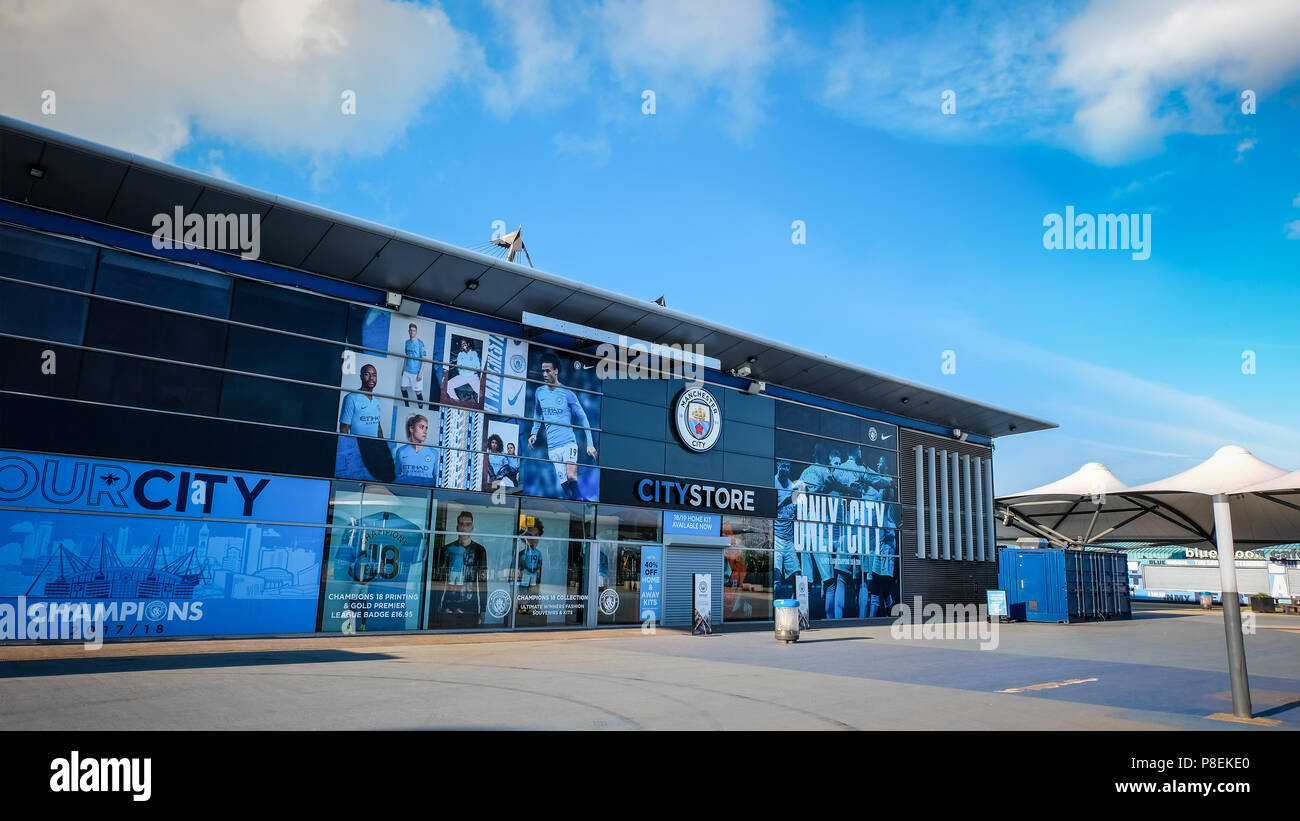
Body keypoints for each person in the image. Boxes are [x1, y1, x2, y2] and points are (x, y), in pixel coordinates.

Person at [528, 352, 596, 499]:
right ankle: (580, 504)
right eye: (543, 371)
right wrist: (534, 432)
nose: (544, 374)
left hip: (568, 444)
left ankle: (584, 505)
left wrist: (590, 444)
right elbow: (538, 413)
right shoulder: (539, 392)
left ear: (556, 371)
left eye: (548, 370)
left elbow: (583, 417)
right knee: (565, 486)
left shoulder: (567, 393)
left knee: (571, 476)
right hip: (552, 448)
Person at [432, 510, 487, 627]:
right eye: (461, 524)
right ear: (457, 527)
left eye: (467, 525)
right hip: (448, 602)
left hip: (470, 603)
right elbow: (439, 580)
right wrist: (435, 605)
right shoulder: (447, 549)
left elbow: (483, 582)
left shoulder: (479, 550)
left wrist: (483, 609)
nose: (464, 528)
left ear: (472, 527)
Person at [339, 364, 384, 438]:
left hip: (373, 446)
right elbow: (344, 428)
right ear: (361, 377)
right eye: (367, 374)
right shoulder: (351, 398)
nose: (371, 378)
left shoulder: (377, 400)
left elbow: (378, 427)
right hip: (357, 446)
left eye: (374, 375)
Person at [393, 414, 436, 484]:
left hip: (426, 493)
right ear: (411, 429)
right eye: (421, 427)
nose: (425, 431)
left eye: (426, 428)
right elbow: (395, 476)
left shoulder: (433, 453)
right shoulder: (401, 451)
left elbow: (437, 481)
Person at [444, 337, 482, 403]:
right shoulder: (460, 354)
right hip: (463, 376)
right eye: (462, 344)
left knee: (480, 392)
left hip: (472, 377)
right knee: (447, 385)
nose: (463, 345)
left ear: (468, 344)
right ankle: (457, 402)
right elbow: (459, 366)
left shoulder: (473, 353)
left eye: (464, 343)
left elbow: (477, 366)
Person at [400, 323, 427, 408]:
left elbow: (424, 359)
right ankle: (406, 406)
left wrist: (420, 373)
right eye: (411, 330)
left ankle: (421, 409)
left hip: (416, 372)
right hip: (407, 370)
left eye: (414, 331)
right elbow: (406, 357)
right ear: (408, 331)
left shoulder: (420, 344)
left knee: (418, 392)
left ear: (416, 332)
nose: (412, 332)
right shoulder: (407, 342)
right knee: (403, 388)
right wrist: (403, 369)